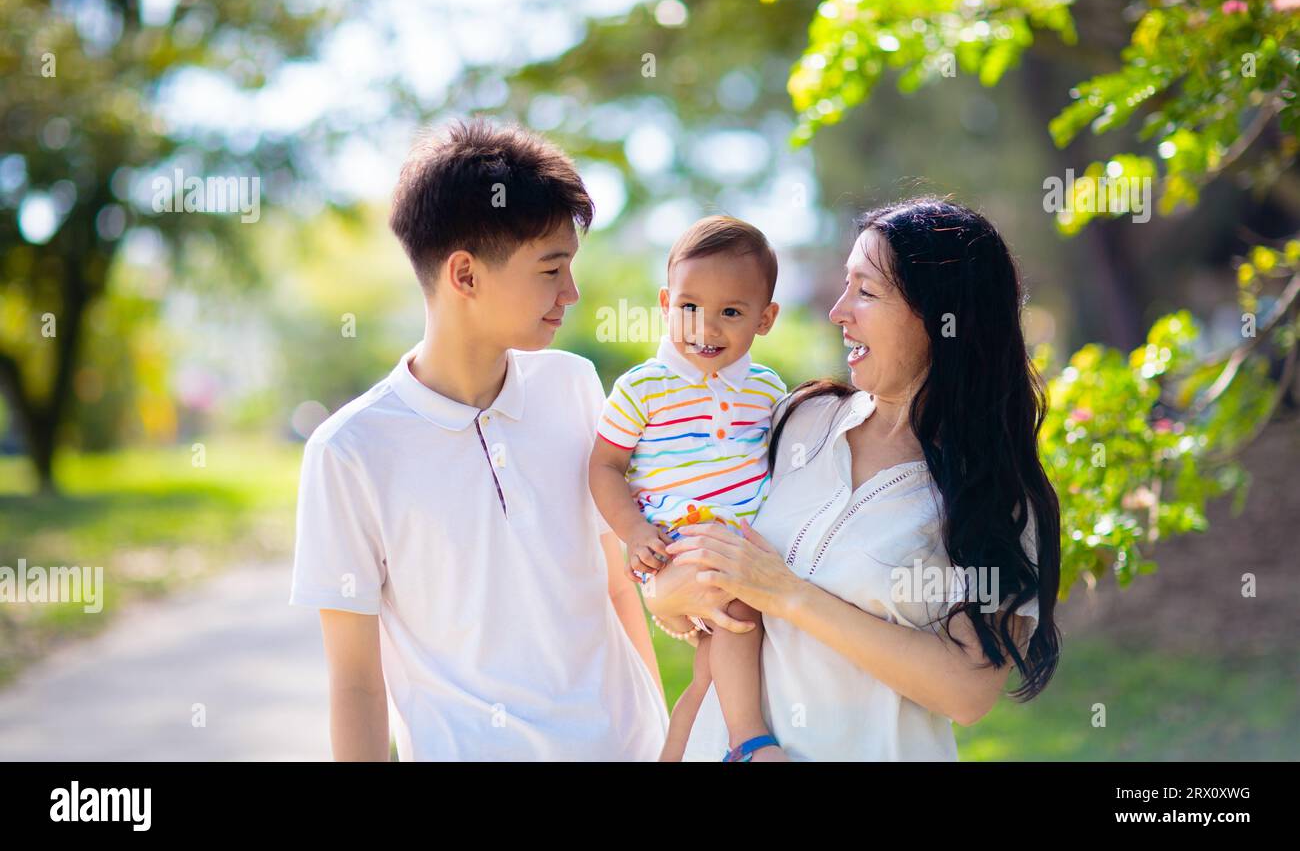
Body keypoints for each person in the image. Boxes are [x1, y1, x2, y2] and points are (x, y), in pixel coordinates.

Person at [289, 118, 668, 760]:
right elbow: (356, 682)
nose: (570, 294)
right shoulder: (348, 451)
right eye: (552, 269)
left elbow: (614, 586)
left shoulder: (573, 386)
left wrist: (667, 742)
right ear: (464, 275)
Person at [644, 198, 1063, 760]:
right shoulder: (797, 421)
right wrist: (666, 592)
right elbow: (681, 572)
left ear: (942, 316)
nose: (839, 311)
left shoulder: (994, 493)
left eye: (866, 292)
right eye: (846, 287)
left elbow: (967, 691)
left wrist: (788, 595)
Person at [589, 215, 787, 762]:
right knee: (740, 613)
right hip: (678, 532)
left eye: (731, 312)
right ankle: (749, 739)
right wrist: (633, 531)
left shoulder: (768, 390)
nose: (705, 327)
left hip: (741, 535)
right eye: (690, 307)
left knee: (706, 679)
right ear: (665, 303)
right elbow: (604, 466)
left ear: (765, 318)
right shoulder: (644, 387)